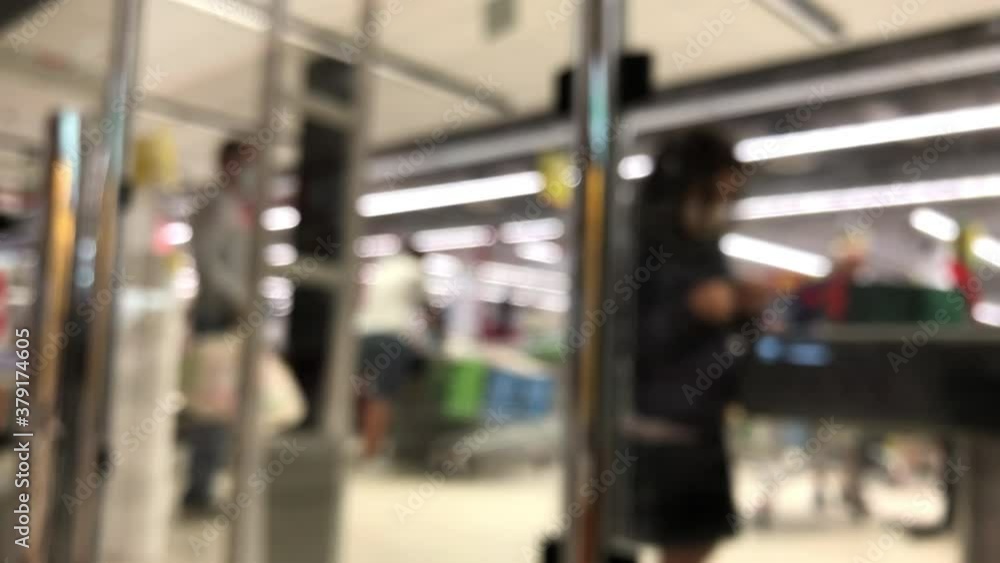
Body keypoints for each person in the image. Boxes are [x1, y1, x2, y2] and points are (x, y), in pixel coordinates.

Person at [626, 130, 766, 563]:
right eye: (716, 192)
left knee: (699, 541)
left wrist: (742, 308)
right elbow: (618, 339)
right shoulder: (637, 247)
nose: (723, 205)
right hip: (658, 425)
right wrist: (692, 309)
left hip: (703, 420)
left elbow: (718, 329)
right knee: (680, 542)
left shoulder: (707, 248)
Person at [183, 140, 253, 511]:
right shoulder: (216, 205)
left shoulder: (239, 208)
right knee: (211, 404)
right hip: (218, 313)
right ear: (229, 163)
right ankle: (198, 490)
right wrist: (241, 301)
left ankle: (206, 483)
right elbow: (209, 264)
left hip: (230, 313)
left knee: (222, 404)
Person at [355, 239, 427, 459]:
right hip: (392, 338)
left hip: (363, 333)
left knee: (366, 391)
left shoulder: (382, 268)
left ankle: (363, 443)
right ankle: (372, 451)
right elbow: (426, 306)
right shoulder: (415, 270)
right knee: (383, 396)